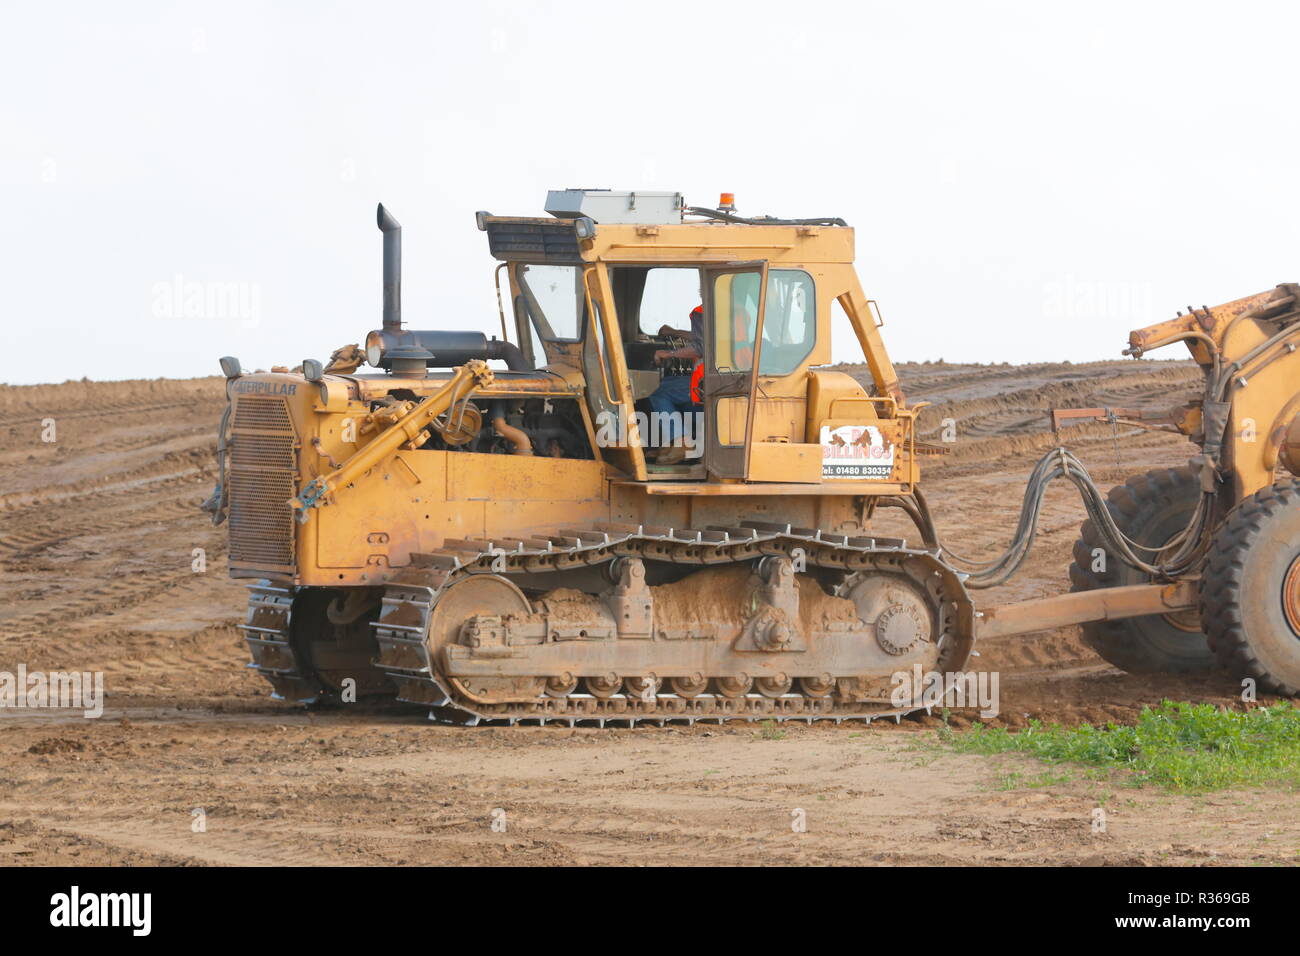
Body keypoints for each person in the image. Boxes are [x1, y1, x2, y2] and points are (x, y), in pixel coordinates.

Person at [647, 305, 704, 465]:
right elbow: (704, 336)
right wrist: (675, 332)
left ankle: (682, 442)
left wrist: (668, 354)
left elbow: (700, 347)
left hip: (709, 384)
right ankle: (672, 441)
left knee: (659, 392)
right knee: (668, 383)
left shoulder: (702, 311)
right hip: (727, 380)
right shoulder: (728, 307)